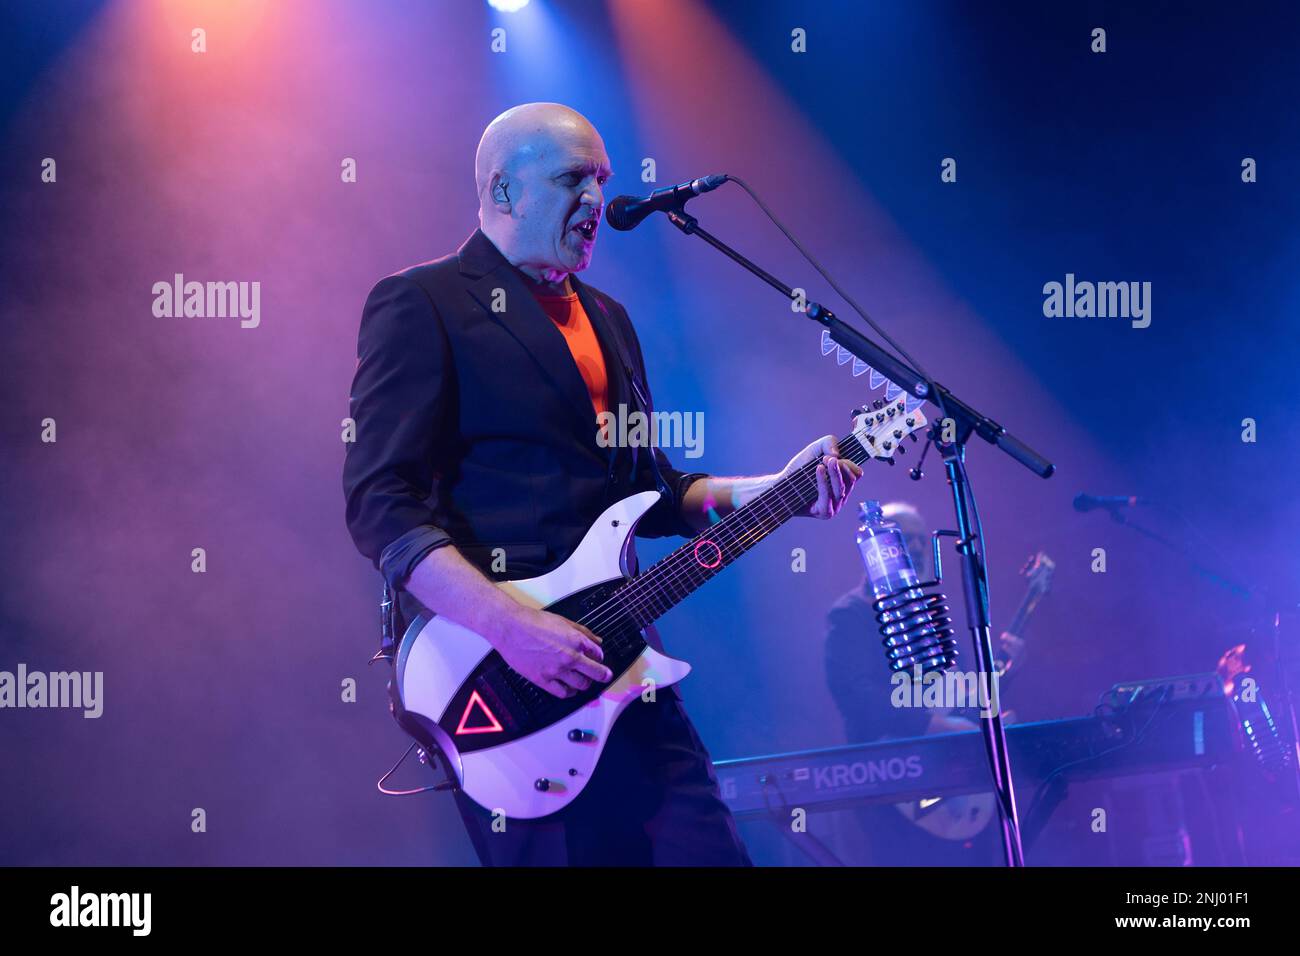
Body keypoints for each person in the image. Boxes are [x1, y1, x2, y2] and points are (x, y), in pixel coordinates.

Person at [343, 102, 863, 866]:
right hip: (501, 684)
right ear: (504, 191)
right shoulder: (424, 303)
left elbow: (656, 493)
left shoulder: (609, 318)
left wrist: (780, 488)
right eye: (570, 180)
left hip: (622, 665)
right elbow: (380, 503)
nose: (594, 200)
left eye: (603, 180)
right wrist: (511, 629)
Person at [824, 501, 1026, 865]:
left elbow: (962, 697)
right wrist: (931, 724)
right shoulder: (851, 614)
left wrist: (1007, 671)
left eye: (920, 539)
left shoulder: (928, 612)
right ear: (879, 548)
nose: (915, 547)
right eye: (905, 539)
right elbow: (857, 697)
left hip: (953, 776)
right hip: (891, 781)